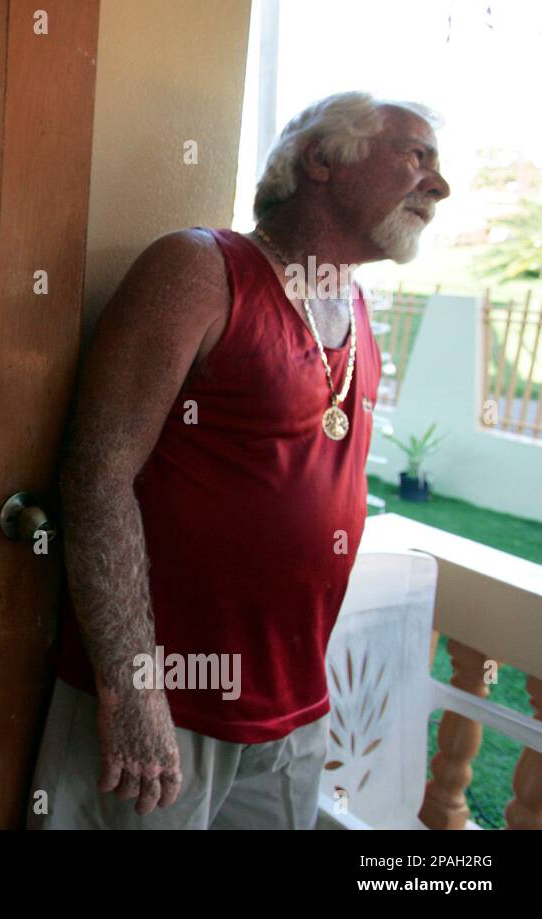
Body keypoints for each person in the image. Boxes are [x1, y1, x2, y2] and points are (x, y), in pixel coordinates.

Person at [30, 92, 450, 829]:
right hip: (166, 715)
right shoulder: (201, 270)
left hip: (294, 713)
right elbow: (97, 479)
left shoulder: (357, 311)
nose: (438, 185)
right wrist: (134, 692)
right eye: (416, 155)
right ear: (321, 159)